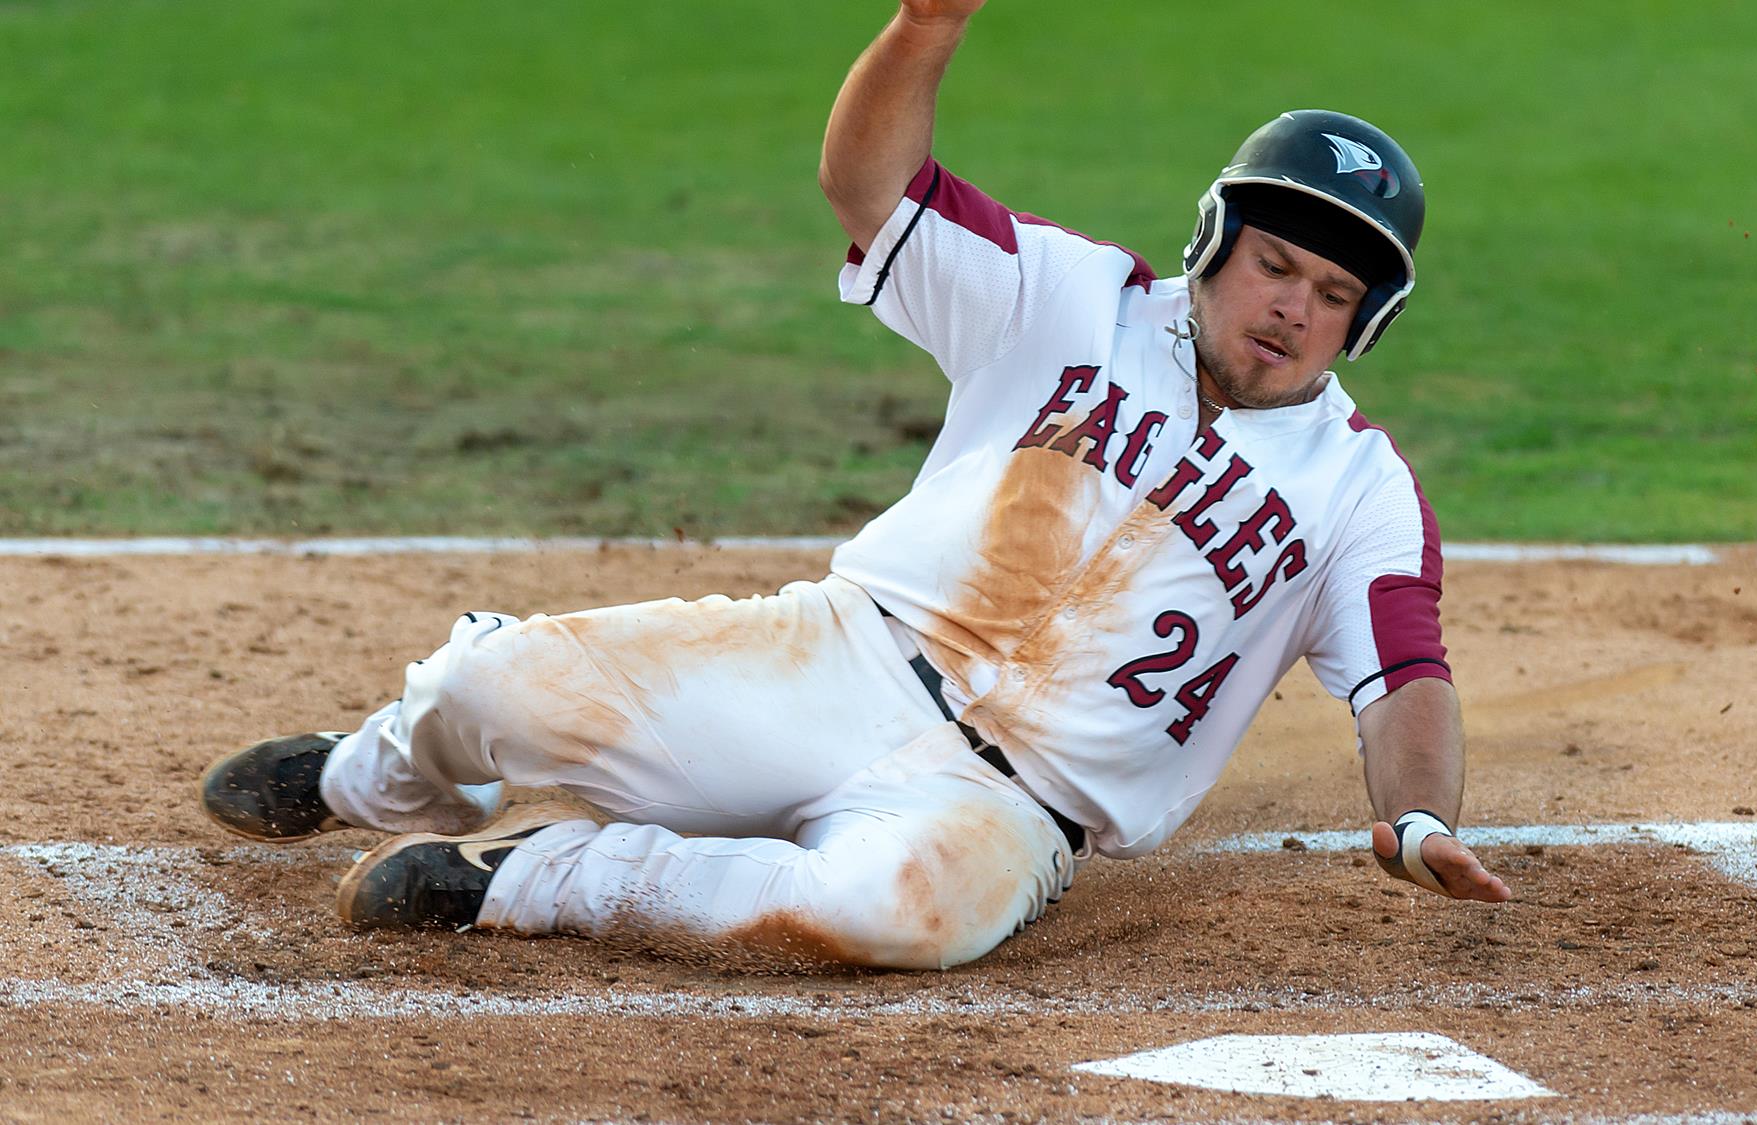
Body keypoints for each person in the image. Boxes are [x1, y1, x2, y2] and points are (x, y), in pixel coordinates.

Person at [198, 0, 1511, 971]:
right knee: (494, 690)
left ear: (1366, 322)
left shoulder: (1357, 486)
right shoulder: (1072, 299)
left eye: (1334, 292)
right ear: (1217, 243)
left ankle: (535, 873)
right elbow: (869, 185)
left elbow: (1405, 677)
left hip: (1005, 806)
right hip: (841, 659)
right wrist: (924, 25)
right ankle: (367, 778)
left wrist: (1414, 813)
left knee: (887, 917)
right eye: (1277, 263)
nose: (1293, 307)